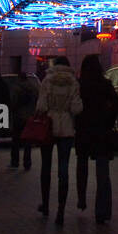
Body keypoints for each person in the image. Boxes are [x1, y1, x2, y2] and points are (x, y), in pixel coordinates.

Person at [35, 56, 81, 224]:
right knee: (64, 169)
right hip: (67, 127)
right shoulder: (73, 83)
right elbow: (77, 108)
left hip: (49, 127)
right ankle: (61, 210)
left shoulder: (47, 81)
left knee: (45, 167)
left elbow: (41, 106)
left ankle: (46, 205)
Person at [75, 54, 118, 224]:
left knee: (82, 166)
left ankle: (81, 199)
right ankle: (102, 211)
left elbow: (75, 107)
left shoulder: (80, 86)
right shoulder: (105, 84)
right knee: (103, 173)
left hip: (84, 131)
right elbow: (116, 104)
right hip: (102, 132)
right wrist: (108, 120)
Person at [7, 60, 40, 170]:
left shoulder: (16, 88)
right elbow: (36, 100)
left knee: (15, 140)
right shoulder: (33, 87)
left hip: (18, 117)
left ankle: (15, 161)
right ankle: (27, 162)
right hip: (29, 117)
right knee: (28, 142)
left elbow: (13, 102)